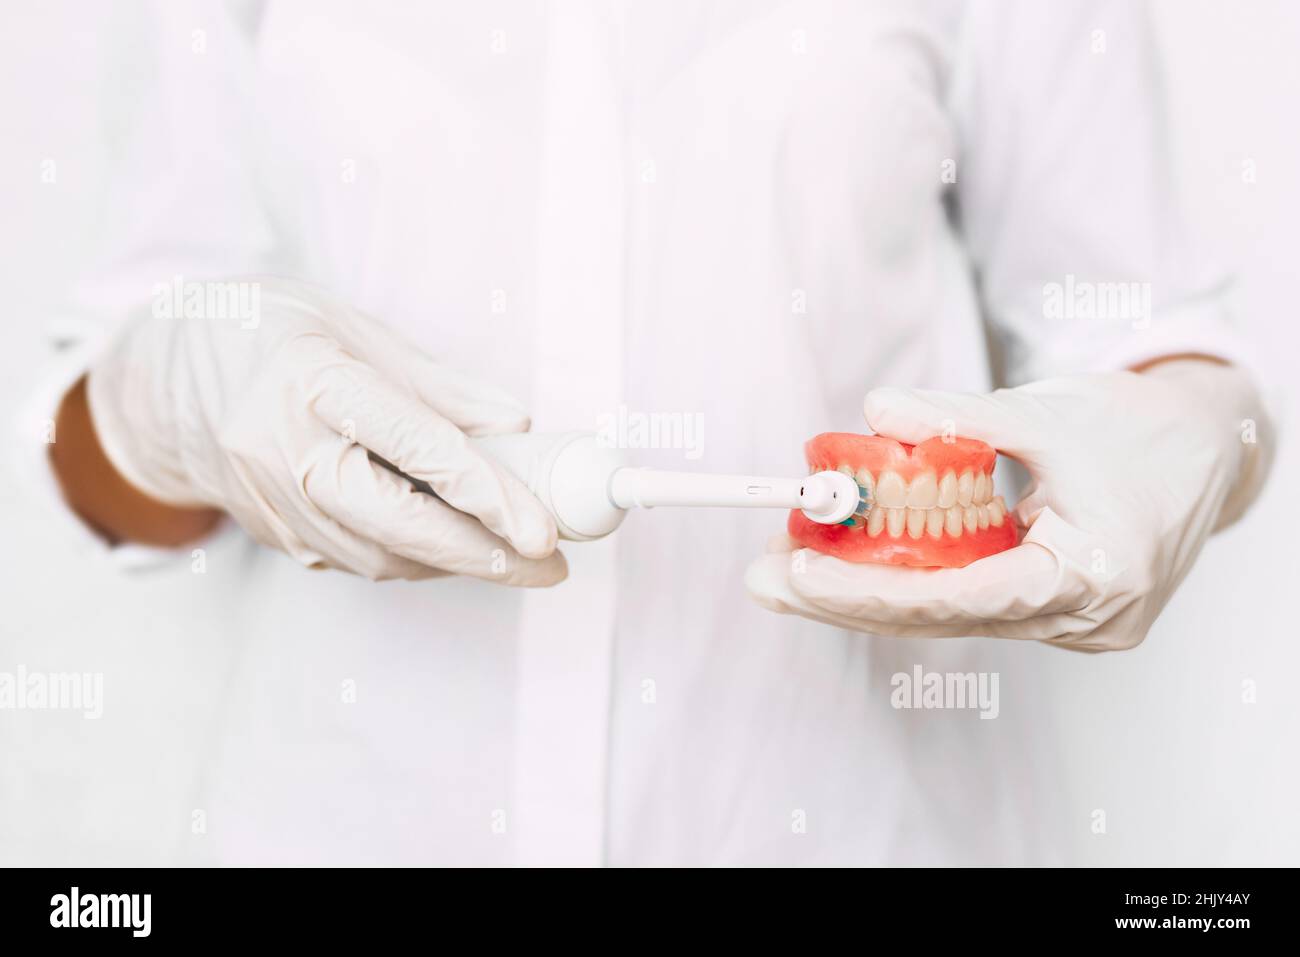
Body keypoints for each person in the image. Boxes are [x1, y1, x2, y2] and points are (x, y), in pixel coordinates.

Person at [27, 0, 1272, 865]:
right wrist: (170, 397)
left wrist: (1193, 430)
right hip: (340, 831)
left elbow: (1151, 322)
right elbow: (93, 463)